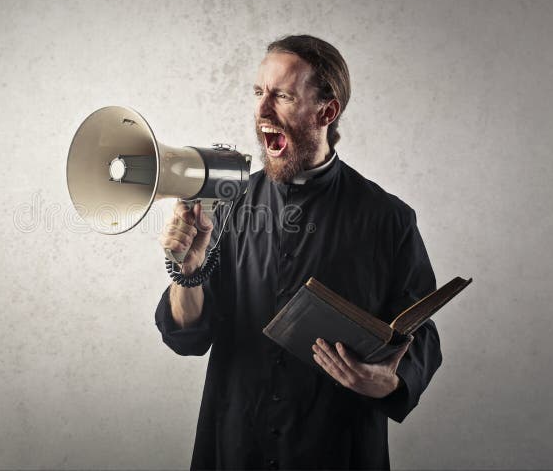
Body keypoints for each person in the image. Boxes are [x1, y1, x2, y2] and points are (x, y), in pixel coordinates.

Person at [155, 35, 442, 470]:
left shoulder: (389, 218)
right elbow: (189, 337)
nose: (262, 109)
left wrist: (387, 381)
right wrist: (187, 273)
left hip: (337, 451)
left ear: (327, 112)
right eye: (258, 92)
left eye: (283, 96)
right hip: (236, 447)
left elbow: (422, 333)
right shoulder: (228, 204)